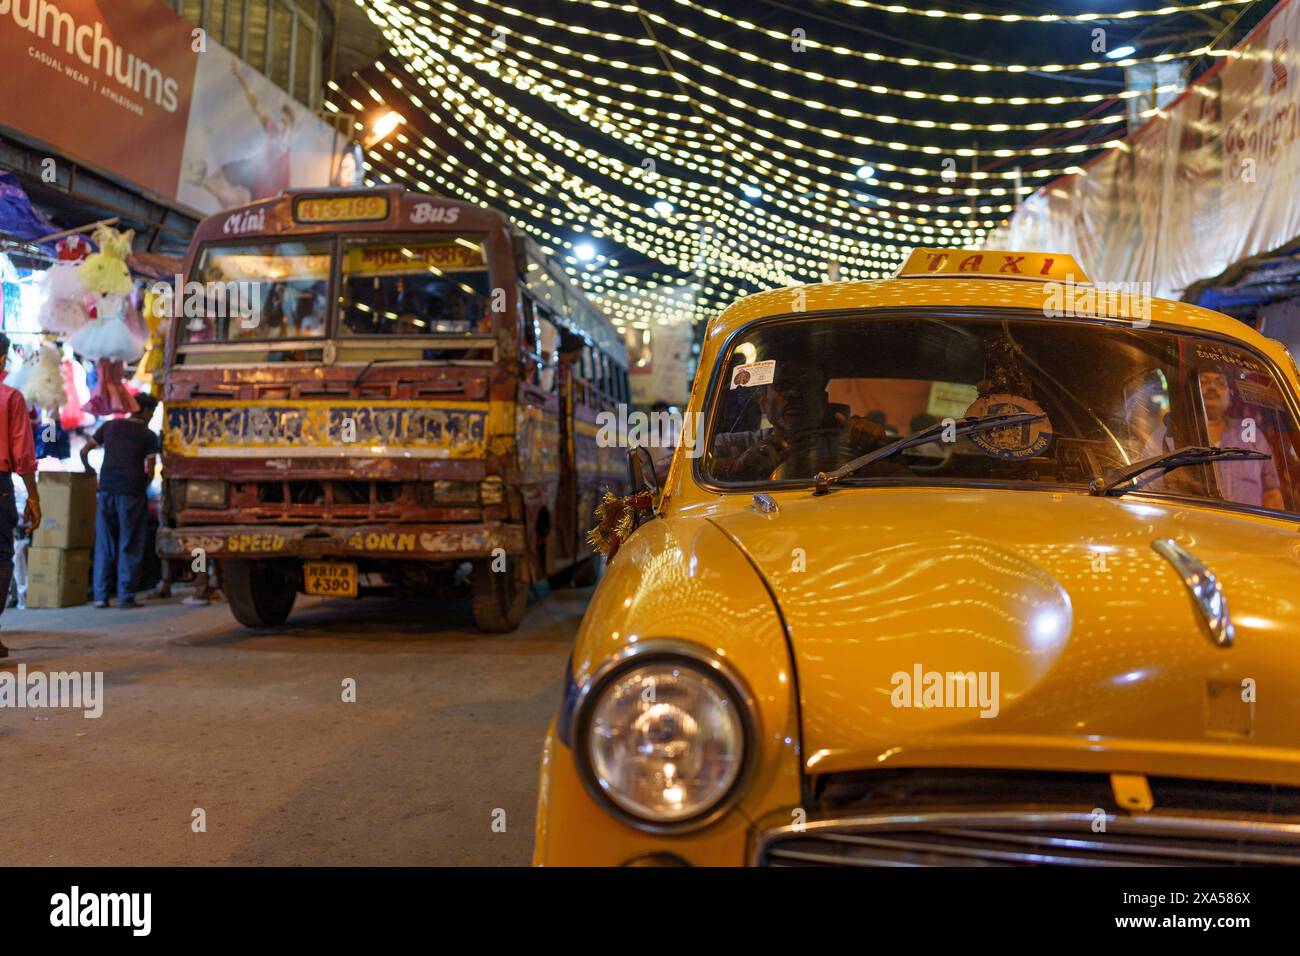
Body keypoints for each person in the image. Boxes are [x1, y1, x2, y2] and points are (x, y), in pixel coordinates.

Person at [711, 357, 892, 481]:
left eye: (805, 385)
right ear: (763, 404)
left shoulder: (856, 443)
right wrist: (736, 466)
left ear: (823, 400)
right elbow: (689, 466)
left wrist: (876, 449)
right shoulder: (732, 444)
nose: (794, 393)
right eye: (782, 385)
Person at [1145, 367, 1283, 511]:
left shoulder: (1252, 436)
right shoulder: (1165, 437)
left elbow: (1271, 493)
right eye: (1203, 382)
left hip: (1249, 532)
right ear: (1190, 393)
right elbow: (1147, 497)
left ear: (1230, 395)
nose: (1212, 387)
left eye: (1220, 382)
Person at [81, 393, 160, 608]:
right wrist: (142, 484)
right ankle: (125, 596)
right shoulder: (149, 436)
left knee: (104, 544)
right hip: (132, 493)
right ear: (145, 411)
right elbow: (151, 471)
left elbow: (84, 451)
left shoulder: (110, 427)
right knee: (129, 543)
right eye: (152, 412)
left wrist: (91, 472)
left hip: (106, 490)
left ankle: (100, 596)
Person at [0, 333, 40, 657]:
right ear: (3, 359)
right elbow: (23, 456)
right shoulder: (11, 397)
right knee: (1, 558)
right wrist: (34, 498)